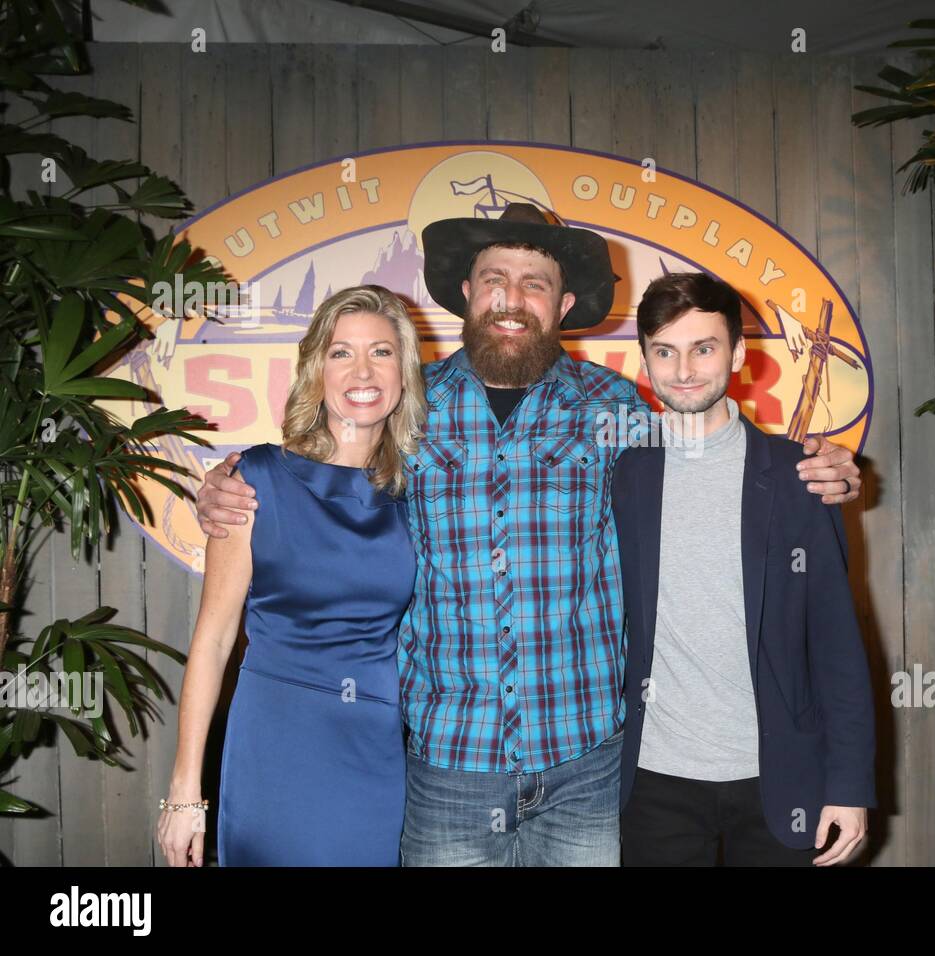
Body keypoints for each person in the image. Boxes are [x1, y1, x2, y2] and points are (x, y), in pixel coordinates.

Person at [195, 202, 863, 867]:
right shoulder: (405, 410)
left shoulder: (621, 411)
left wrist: (819, 467)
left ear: (564, 302)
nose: (510, 299)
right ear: (466, 292)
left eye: (534, 284)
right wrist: (227, 484)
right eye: (493, 280)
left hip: (585, 768)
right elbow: (315, 483)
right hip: (447, 766)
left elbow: (724, 462)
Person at [157, 285, 426, 866]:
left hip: (374, 747)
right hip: (273, 744)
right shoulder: (256, 479)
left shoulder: (418, 493)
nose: (363, 370)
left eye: (381, 352)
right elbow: (214, 639)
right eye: (341, 352)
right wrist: (184, 792)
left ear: (404, 371)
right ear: (315, 371)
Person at [614, 272, 874, 866]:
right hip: (654, 780)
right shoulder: (623, 474)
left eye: (703, 348)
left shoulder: (800, 476)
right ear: (646, 359)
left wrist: (850, 786)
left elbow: (836, 642)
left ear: (736, 354)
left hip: (777, 775)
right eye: (665, 351)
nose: (683, 370)